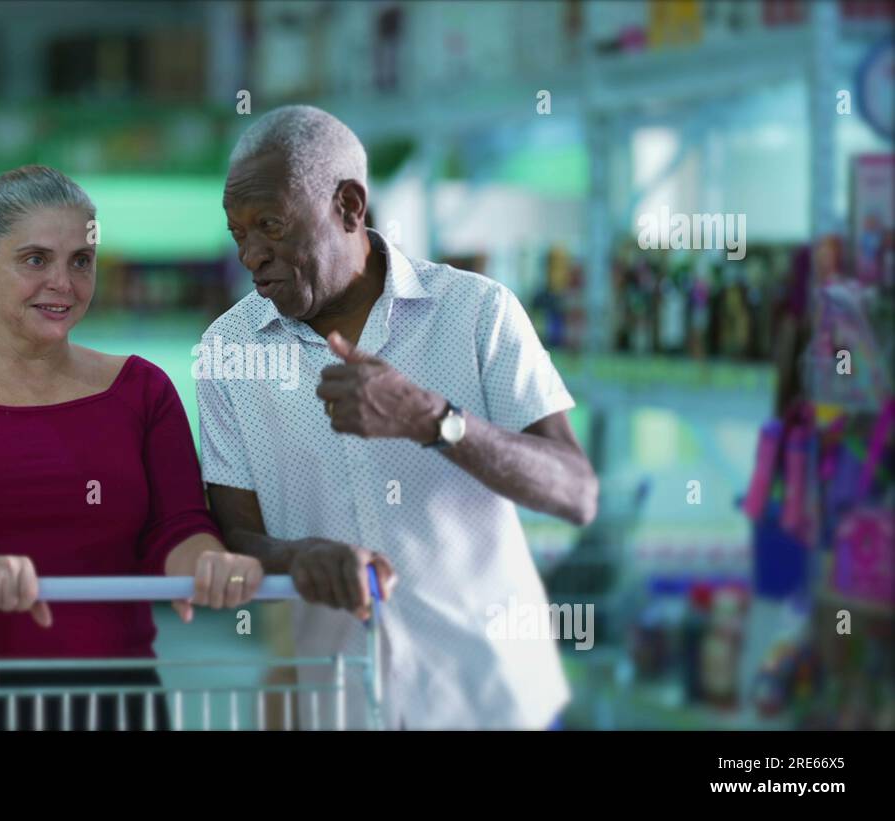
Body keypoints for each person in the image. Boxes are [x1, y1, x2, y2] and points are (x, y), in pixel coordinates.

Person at [197, 106, 599, 729]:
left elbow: (576, 492)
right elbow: (234, 534)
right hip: (338, 704)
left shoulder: (476, 313)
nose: (251, 254)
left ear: (350, 206)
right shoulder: (229, 352)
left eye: (270, 225)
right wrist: (299, 556)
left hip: (486, 698)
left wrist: (434, 420)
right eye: (238, 232)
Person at [0, 165, 262, 730]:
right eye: (35, 260)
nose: (62, 283)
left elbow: (176, 525)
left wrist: (206, 562)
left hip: (112, 697)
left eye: (80, 262)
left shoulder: (142, 390)